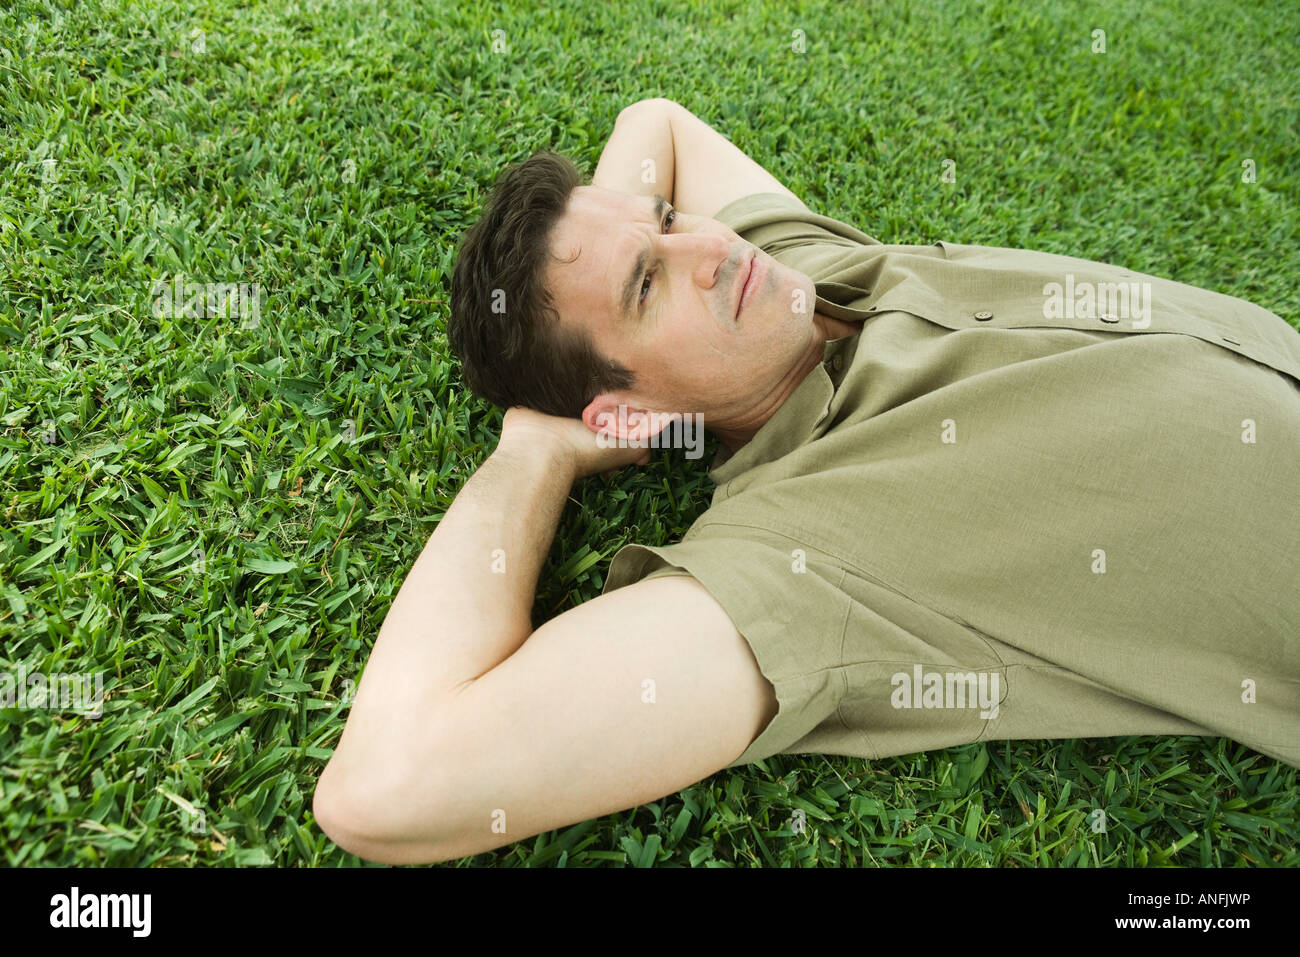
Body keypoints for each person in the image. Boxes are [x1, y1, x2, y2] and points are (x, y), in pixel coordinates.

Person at [312, 98, 1300, 865]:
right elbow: (384, 789)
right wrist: (536, 450)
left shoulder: (804, 273)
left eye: (664, 222)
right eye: (648, 284)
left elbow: (654, 122)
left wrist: (623, 242)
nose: (709, 247)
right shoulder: (798, 554)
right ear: (630, 414)